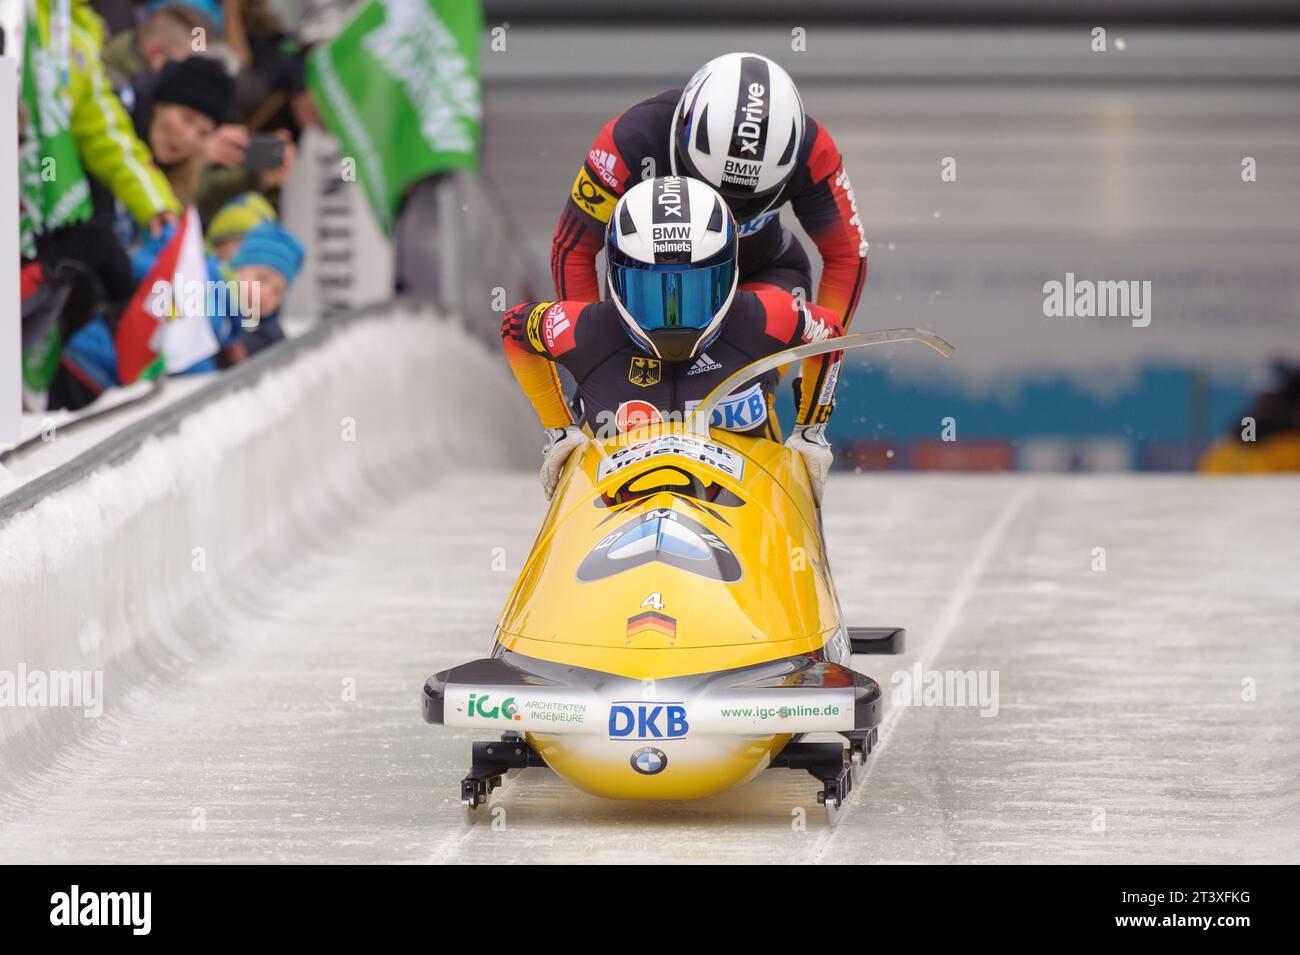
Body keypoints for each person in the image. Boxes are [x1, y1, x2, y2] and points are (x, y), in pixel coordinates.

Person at [505, 176, 845, 502]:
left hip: (744, 504)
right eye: (650, 292)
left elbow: (828, 331)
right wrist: (560, 430)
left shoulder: (762, 317)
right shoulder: (590, 330)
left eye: (694, 290)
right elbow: (516, 329)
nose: (673, 314)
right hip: (617, 505)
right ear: (617, 280)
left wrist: (810, 432)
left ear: (729, 274)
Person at [551, 52, 868, 333]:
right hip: (648, 286)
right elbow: (573, 250)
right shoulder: (630, 141)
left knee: (753, 359)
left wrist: (822, 362)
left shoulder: (814, 153)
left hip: (759, 275)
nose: (729, 206)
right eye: (712, 187)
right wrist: (591, 346)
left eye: (745, 200)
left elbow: (847, 255)